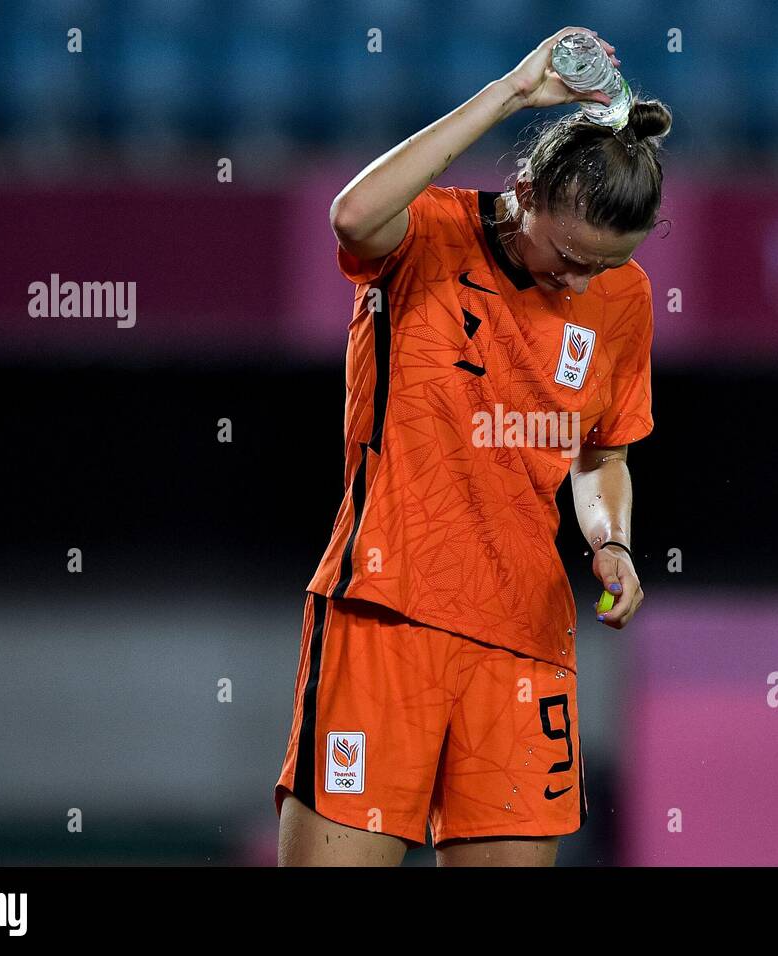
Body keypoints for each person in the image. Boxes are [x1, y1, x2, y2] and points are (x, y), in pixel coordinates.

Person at [273, 27, 671, 866]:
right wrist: (512, 95)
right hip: (386, 612)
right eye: (567, 257)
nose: (579, 283)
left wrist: (612, 542)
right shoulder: (423, 238)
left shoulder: (623, 300)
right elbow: (350, 213)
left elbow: (602, 455)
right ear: (523, 190)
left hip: (524, 637)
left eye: (604, 266)